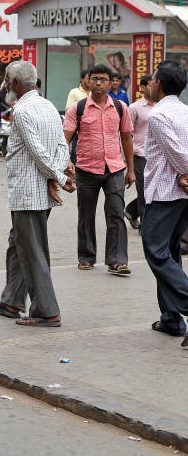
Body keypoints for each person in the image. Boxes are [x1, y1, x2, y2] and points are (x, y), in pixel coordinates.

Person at [0, 60, 74, 327]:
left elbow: (37, 151)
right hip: (39, 190)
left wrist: (58, 178)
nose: (4, 85)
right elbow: (61, 146)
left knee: (31, 250)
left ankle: (46, 311)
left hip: (27, 193)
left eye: (6, 80)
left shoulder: (22, 111)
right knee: (19, 243)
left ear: (15, 83)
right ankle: (12, 300)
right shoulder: (48, 106)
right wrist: (55, 176)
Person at [63, 64, 135, 275]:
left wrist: (131, 169)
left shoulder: (120, 107)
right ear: (88, 81)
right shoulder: (78, 108)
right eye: (94, 79)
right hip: (86, 169)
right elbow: (64, 139)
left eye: (103, 79)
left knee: (116, 213)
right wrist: (66, 161)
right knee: (86, 215)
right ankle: (86, 257)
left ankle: (117, 260)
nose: (98, 83)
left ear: (111, 82)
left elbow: (126, 138)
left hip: (114, 169)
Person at [139, 61, 188, 344]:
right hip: (180, 193)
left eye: (153, 79)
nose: (150, 83)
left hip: (165, 193)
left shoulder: (159, 115)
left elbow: (179, 155)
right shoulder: (184, 111)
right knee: (169, 251)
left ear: (158, 84)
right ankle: (171, 319)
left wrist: (185, 172)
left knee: (155, 250)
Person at [124, 74, 154, 230]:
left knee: (155, 191)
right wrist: (126, 158)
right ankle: (145, 226)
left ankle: (131, 211)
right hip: (140, 155)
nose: (153, 87)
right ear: (142, 87)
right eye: (149, 84)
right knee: (143, 192)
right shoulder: (134, 108)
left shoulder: (161, 106)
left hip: (157, 156)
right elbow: (126, 134)